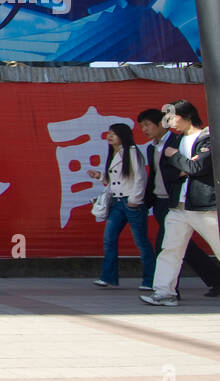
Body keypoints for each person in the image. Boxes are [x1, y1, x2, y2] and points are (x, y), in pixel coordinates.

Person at [136, 108, 220, 298]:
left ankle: (212, 280)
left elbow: (195, 168)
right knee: (171, 248)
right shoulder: (161, 145)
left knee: (209, 245)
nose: (144, 129)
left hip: (196, 202)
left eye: (147, 125)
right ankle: (165, 292)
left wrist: (179, 162)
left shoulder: (194, 140)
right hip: (171, 204)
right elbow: (164, 174)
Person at [87, 123, 155, 290]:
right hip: (117, 202)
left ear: (123, 135)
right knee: (109, 239)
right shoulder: (114, 153)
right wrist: (100, 176)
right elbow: (117, 181)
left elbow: (140, 177)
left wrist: (134, 200)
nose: (109, 137)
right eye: (108, 133)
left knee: (141, 242)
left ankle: (150, 280)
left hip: (131, 203)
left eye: (114, 134)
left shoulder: (131, 152)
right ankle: (108, 277)